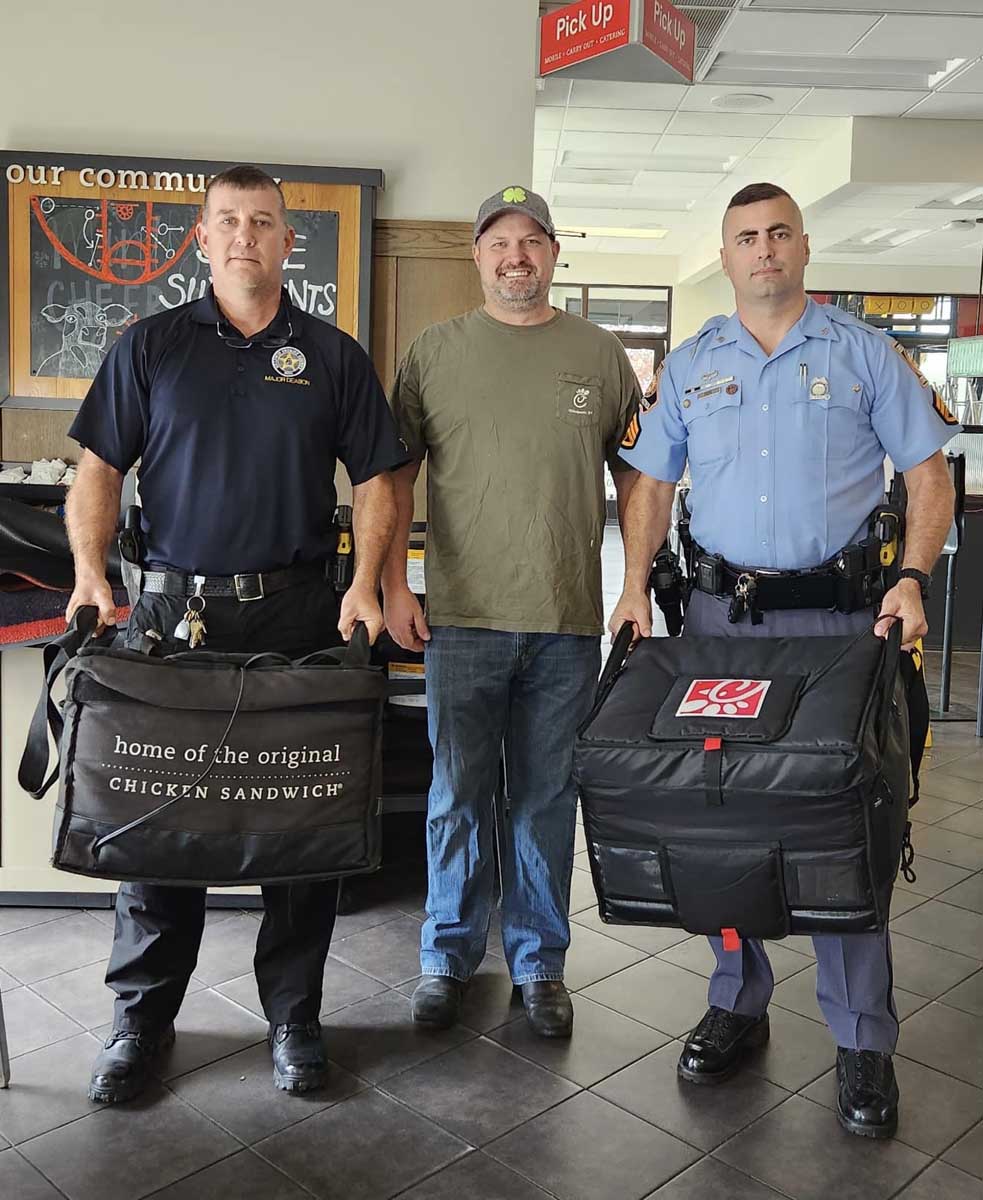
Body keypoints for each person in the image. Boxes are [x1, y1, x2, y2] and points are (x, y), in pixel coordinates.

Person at [612, 182, 958, 1139]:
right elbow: (647, 481)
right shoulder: (689, 367)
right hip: (721, 625)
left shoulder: (860, 353)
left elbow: (928, 476)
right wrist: (635, 583)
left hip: (839, 630)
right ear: (723, 258)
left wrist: (914, 576)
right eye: (743, 239)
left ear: (801, 247)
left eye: (776, 235)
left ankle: (860, 1039)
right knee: (719, 819)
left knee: (843, 826)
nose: (762, 251)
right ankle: (736, 998)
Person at [65, 164, 406, 1104]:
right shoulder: (151, 346)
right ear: (202, 239)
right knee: (160, 825)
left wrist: (367, 587)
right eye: (229, 221)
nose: (246, 235)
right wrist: (93, 576)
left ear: (287, 241)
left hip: (298, 615)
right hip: (174, 621)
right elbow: (98, 467)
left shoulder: (330, 356)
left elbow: (379, 478)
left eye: (263, 221)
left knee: (299, 827)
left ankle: (294, 1019)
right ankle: (141, 1021)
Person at [383, 186, 640, 1037]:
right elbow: (391, 478)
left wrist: (634, 582)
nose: (515, 257)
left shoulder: (599, 355)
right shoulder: (433, 352)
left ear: (554, 255)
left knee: (543, 798)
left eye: (531, 242)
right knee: (455, 794)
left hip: (565, 620)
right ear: (477, 256)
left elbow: (639, 478)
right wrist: (391, 585)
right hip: (460, 617)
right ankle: (445, 956)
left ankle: (539, 962)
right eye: (499, 242)